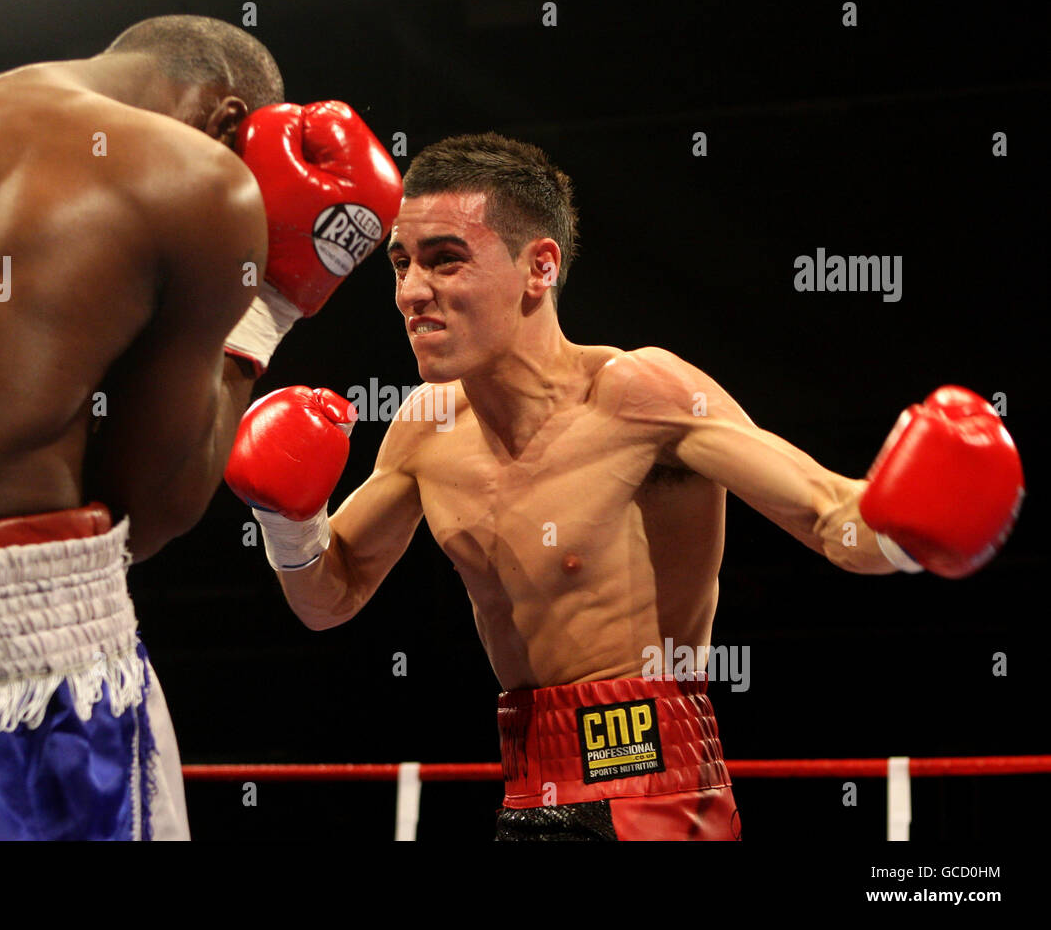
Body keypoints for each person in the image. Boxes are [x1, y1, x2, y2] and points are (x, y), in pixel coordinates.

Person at [223, 132, 1024, 840]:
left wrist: (902, 526)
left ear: (541, 266)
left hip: (656, 786)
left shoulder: (641, 393)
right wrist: (290, 523)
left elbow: (831, 518)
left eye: (445, 260)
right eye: (401, 262)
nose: (410, 292)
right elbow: (329, 600)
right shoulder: (425, 427)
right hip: (527, 788)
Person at [0, 14, 403, 839]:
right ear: (228, 122)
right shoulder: (200, 175)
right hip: (8, 691)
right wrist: (271, 302)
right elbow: (150, 516)